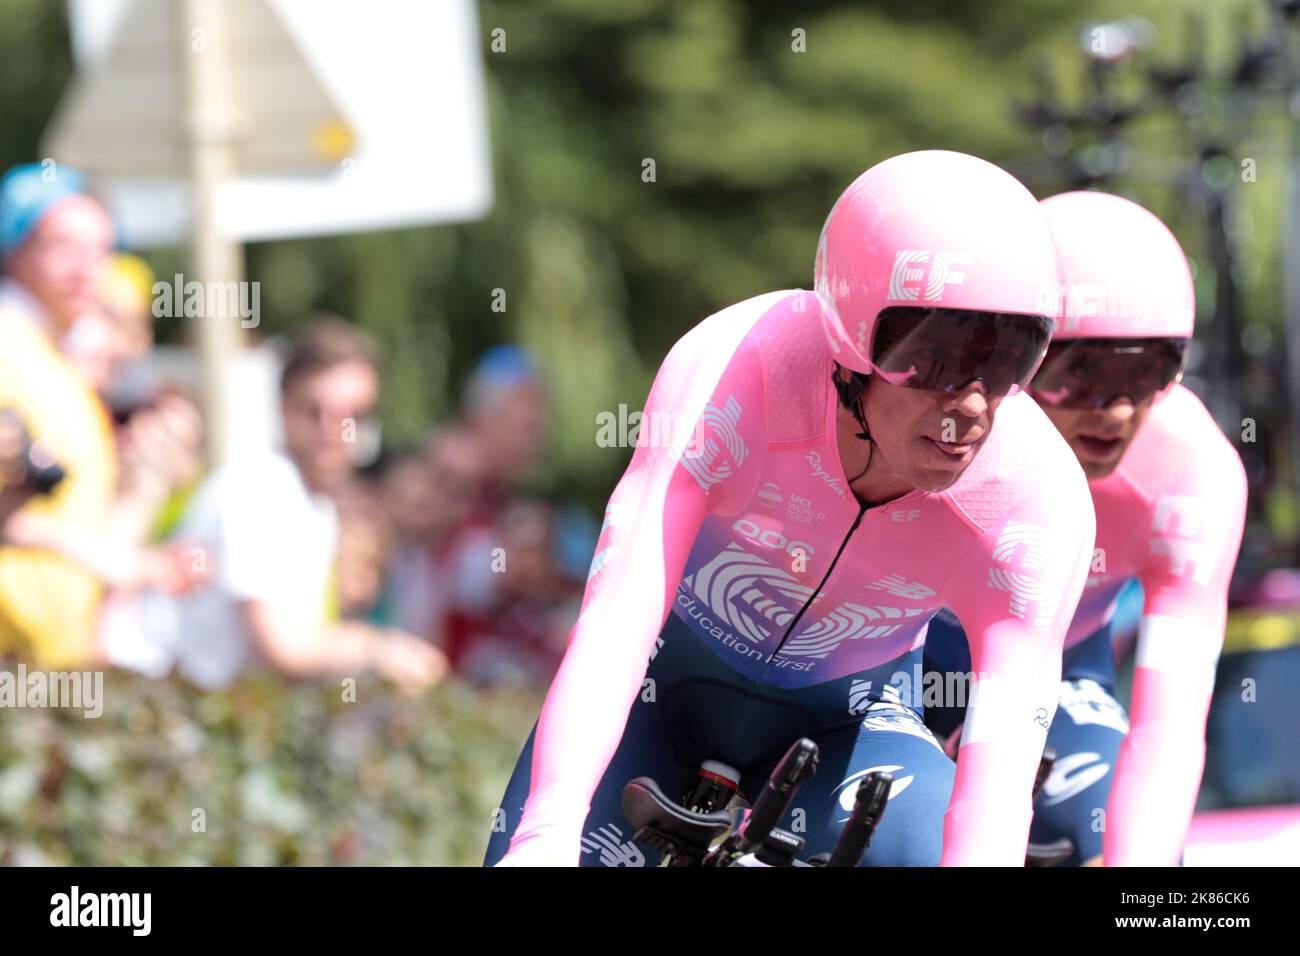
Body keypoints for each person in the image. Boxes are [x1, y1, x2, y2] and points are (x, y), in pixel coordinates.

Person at [484, 150, 1096, 867]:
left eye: (1007, 362)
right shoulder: (737, 372)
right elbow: (616, 618)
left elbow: (998, 786)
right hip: (661, 697)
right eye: (932, 360)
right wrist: (548, 831)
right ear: (850, 340)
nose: (968, 404)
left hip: (852, 727)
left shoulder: (1035, 500)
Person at [923, 191, 1248, 866]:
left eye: (1146, 371)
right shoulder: (937, 429)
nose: (1116, 409)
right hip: (884, 664)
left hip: (1062, 675)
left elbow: (1169, 725)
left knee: (1129, 845)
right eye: (1080, 377)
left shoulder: (1196, 474)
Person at [124, 317, 448, 692]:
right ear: (281, 408)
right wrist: (379, 648)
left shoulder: (312, 504)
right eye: (316, 411)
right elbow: (286, 646)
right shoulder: (260, 489)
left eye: (353, 416)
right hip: (168, 706)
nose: (335, 431)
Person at [0, 163, 186, 666]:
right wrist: (93, 552)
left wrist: (145, 481)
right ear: (16, 249)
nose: (86, 269)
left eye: (100, 251)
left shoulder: (55, 362)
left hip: (46, 668)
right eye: (63, 248)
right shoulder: (8, 344)